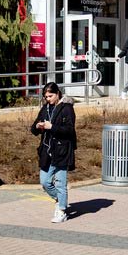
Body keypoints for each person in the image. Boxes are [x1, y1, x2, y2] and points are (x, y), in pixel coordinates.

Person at [31, 81, 77, 223]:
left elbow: (70, 130)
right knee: (44, 182)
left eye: (50, 96)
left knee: (60, 183)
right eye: (46, 97)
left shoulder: (67, 109)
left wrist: (52, 127)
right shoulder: (45, 109)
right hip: (47, 151)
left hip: (62, 151)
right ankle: (59, 199)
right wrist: (38, 127)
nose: (48, 99)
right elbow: (33, 129)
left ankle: (62, 211)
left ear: (57, 94)